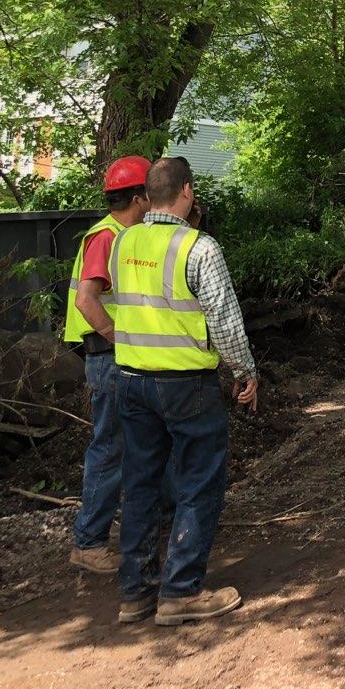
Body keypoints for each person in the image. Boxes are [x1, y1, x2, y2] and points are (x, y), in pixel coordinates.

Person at [106, 155, 259, 626]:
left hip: (131, 381)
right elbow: (224, 321)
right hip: (185, 385)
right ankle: (180, 592)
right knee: (198, 482)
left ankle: (135, 593)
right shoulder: (199, 247)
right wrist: (245, 371)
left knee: (141, 485)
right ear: (187, 191)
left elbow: (120, 302)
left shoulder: (122, 242)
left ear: (149, 194)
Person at [63, 154, 152, 576]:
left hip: (119, 358)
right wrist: (119, 337)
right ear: (138, 198)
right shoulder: (106, 237)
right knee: (109, 450)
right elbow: (87, 299)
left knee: (141, 444)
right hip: (110, 358)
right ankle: (89, 543)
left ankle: (158, 521)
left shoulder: (125, 236)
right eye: (150, 195)